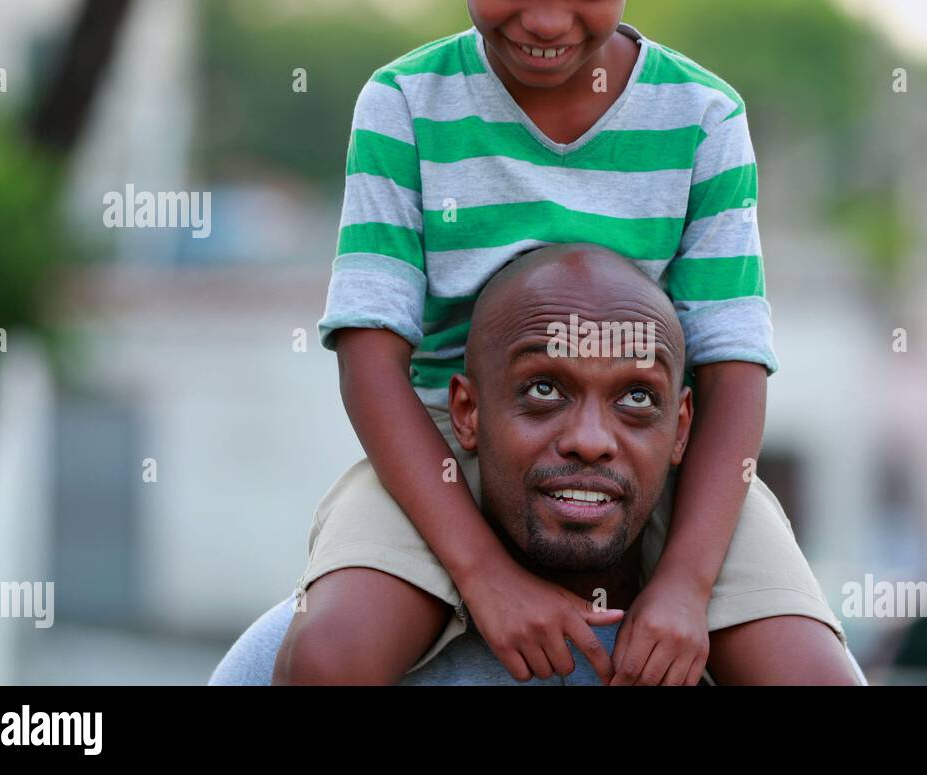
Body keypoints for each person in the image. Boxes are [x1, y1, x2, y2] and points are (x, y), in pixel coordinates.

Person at [290, 0, 845, 685]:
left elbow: (732, 367)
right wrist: (483, 575)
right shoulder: (404, 103)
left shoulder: (702, 117)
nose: (547, 23)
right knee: (328, 657)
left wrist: (686, 582)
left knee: (813, 675)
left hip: (650, 445)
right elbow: (369, 357)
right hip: (444, 437)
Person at [211, 246, 862, 685]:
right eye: (544, 390)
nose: (589, 439)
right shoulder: (287, 659)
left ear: (682, 428)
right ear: (465, 411)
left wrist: (689, 587)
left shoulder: (706, 118)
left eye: (636, 398)